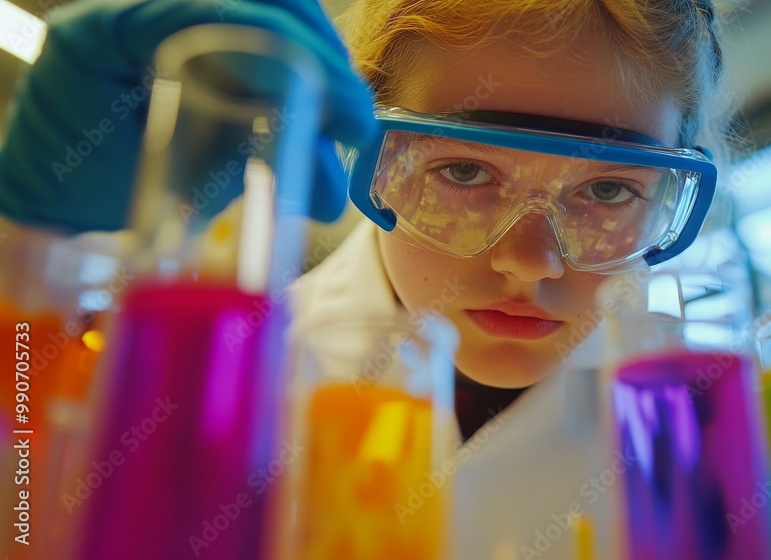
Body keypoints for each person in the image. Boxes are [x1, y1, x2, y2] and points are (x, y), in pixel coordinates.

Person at [0, 0, 727, 440]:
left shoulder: (719, 428)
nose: (532, 262)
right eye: (466, 171)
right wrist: (27, 253)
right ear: (370, 156)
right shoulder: (196, 383)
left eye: (607, 193)